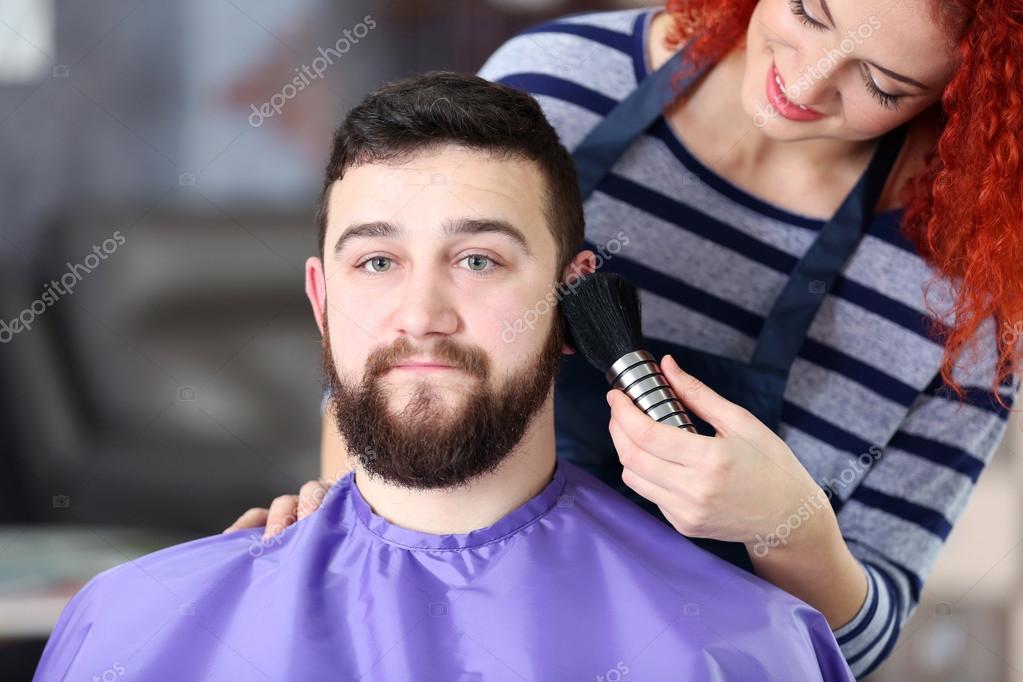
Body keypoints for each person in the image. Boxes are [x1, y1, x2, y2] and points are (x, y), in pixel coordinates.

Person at [228, 1, 1023, 678]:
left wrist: (788, 527)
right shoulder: (564, 83)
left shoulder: (973, 284)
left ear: (968, 93)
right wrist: (347, 528)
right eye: (809, 12)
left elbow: (861, 639)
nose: (806, 82)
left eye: (882, 84)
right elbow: (401, 329)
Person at [34, 72, 854, 681]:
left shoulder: (734, 646)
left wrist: (795, 527)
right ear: (322, 299)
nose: (421, 312)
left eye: (477, 259)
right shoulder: (136, 628)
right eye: (379, 260)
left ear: (571, 299)